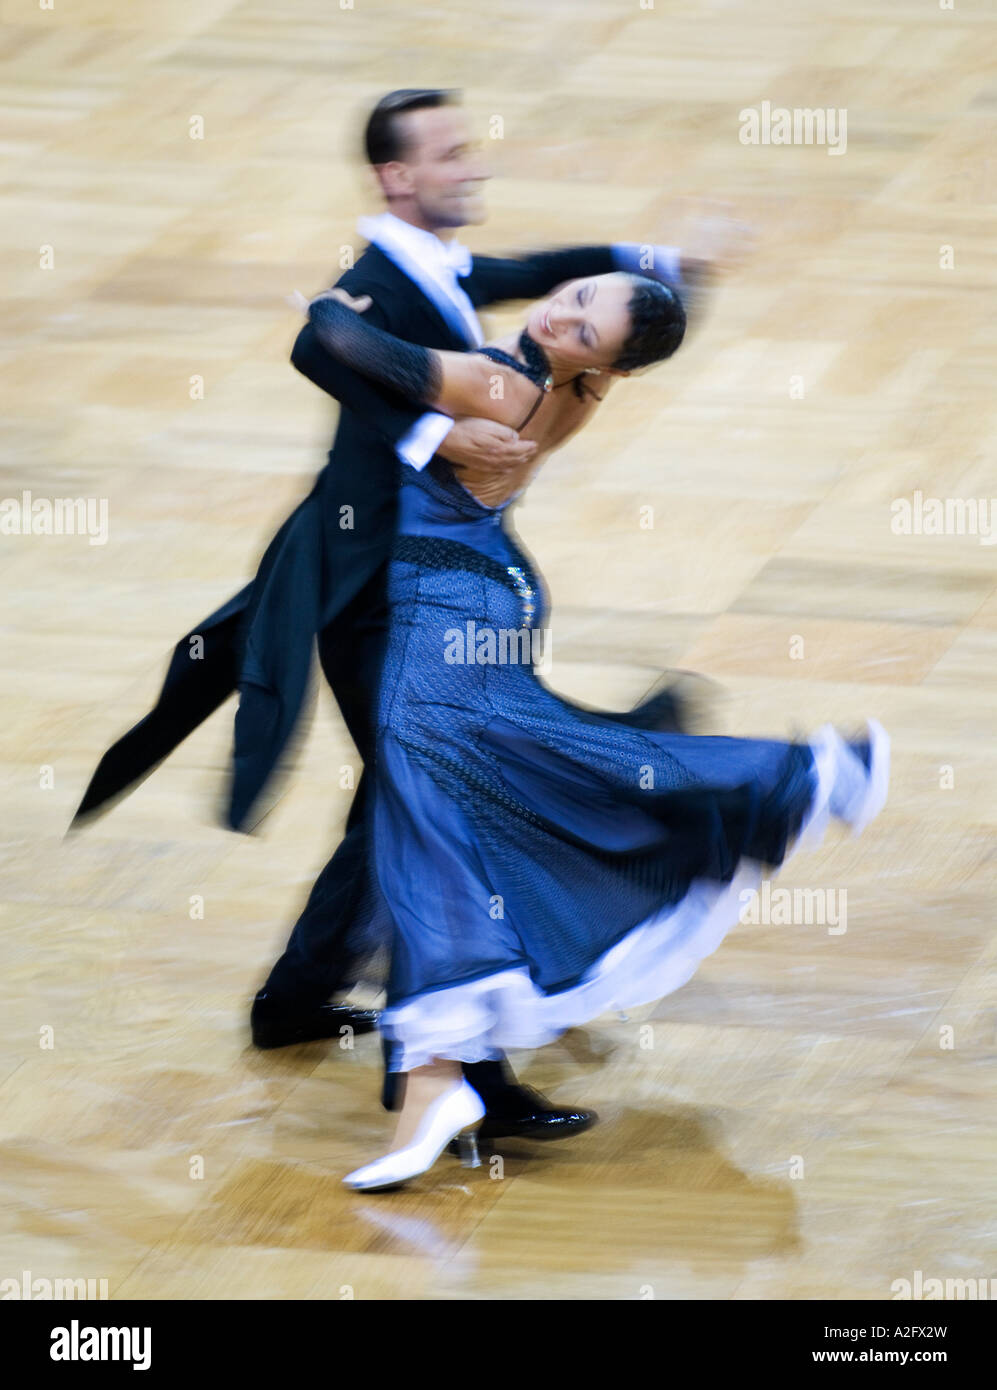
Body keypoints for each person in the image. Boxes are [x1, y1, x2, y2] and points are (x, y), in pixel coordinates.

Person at [70, 88, 715, 1143]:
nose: (472, 167)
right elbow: (316, 342)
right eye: (449, 154)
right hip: (366, 590)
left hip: (433, 596)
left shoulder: (446, 274)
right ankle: (467, 1075)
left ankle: (301, 1001)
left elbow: (535, 273)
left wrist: (661, 264)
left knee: (402, 807)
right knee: (444, 808)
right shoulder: (376, 287)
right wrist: (431, 439)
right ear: (395, 178)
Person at [295, 272, 890, 1193]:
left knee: (465, 790)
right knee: (461, 804)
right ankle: (436, 1081)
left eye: (582, 325)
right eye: (573, 295)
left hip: (449, 601)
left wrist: (330, 302)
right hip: (480, 589)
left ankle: (793, 777)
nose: (557, 314)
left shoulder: (499, 384)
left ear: (601, 364)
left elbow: (343, 349)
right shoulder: (573, 394)